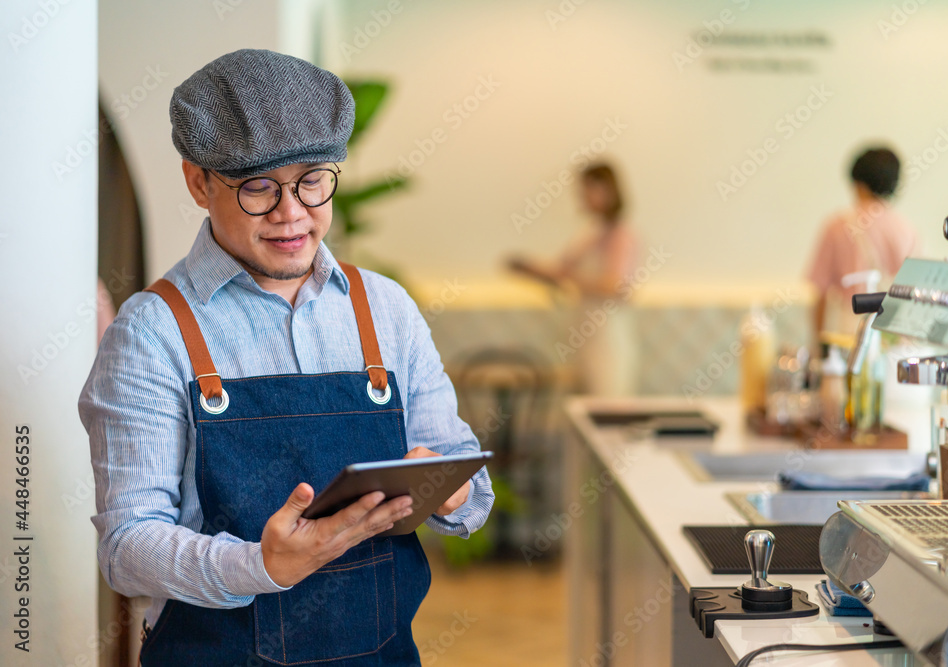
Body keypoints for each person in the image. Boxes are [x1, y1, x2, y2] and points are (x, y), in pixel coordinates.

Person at [79, 49, 494, 666]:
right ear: (199, 182)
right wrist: (260, 565)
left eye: (313, 181)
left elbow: (471, 482)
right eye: (258, 188)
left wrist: (446, 490)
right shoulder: (152, 331)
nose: (292, 213)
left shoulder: (384, 309)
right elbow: (126, 547)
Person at [508, 163, 639, 395]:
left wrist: (571, 278)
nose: (584, 197)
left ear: (609, 191)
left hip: (606, 337)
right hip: (583, 333)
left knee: (606, 406)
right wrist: (531, 270)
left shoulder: (621, 235)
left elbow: (615, 286)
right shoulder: (590, 233)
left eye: (590, 189)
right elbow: (561, 271)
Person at [806, 146, 920, 339]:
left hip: (850, 336)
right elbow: (915, 290)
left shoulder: (837, 226)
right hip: (894, 334)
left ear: (859, 184)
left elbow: (821, 292)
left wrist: (819, 344)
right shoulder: (907, 229)